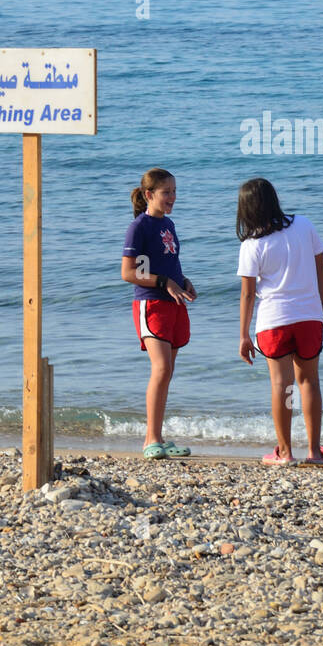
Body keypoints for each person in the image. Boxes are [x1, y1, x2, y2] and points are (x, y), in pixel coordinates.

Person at [236, 177, 323, 466]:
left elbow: (248, 294)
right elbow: (322, 269)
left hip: (273, 321)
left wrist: (243, 335)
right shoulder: (304, 225)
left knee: (283, 386)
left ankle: (285, 452)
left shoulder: (251, 244)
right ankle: (315, 452)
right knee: (309, 382)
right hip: (308, 316)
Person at [121, 168, 196, 458]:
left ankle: (160, 438)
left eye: (175, 192)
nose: (172, 198)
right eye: (167, 193)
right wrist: (164, 283)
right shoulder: (139, 227)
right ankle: (150, 439)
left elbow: (169, 263)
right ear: (149, 195)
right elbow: (129, 272)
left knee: (168, 372)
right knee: (161, 368)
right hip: (150, 303)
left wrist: (184, 281)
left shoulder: (169, 224)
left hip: (173, 304)